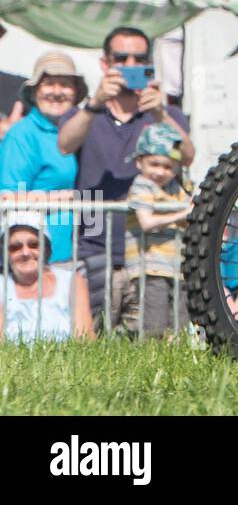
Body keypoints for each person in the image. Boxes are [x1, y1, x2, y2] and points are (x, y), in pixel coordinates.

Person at [57, 27, 193, 329]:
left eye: (139, 58)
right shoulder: (88, 113)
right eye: (121, 57)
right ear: (105, 63)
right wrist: (95, 102)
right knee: (93, 339)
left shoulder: (164, 115)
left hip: (151, 250)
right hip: (95, 242)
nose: (130, 64)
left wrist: (160, 115)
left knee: (147, 344)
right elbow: (65, 144)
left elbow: (187, 156)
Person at [0, 52, 86, 263]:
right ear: (35, 91)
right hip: (35, 260)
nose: (57, 92)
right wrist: (59, 200)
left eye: (65, 84)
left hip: (76, 253)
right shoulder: (22, 135)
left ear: (75, 92)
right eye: (48, 83)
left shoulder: (85, 130)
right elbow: (6, 197)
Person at [120, 123, 192, 337]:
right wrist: (183, 215)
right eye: (154, 164)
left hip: (177, 265)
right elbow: (146, 222)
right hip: (150, 265)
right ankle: (151, 359)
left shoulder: (175, 188)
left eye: (168, 166)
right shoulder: (141, 185)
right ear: (139, 162)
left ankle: (179, 357)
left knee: (182, 321)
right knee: (155, 322)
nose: (160, 172)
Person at [0, 213, 94, 342]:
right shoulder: (1, 285)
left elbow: (85, 338)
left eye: (34, 245)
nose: (25, 253)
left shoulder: (72, 281)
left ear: (45, 248)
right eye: (15, 247)